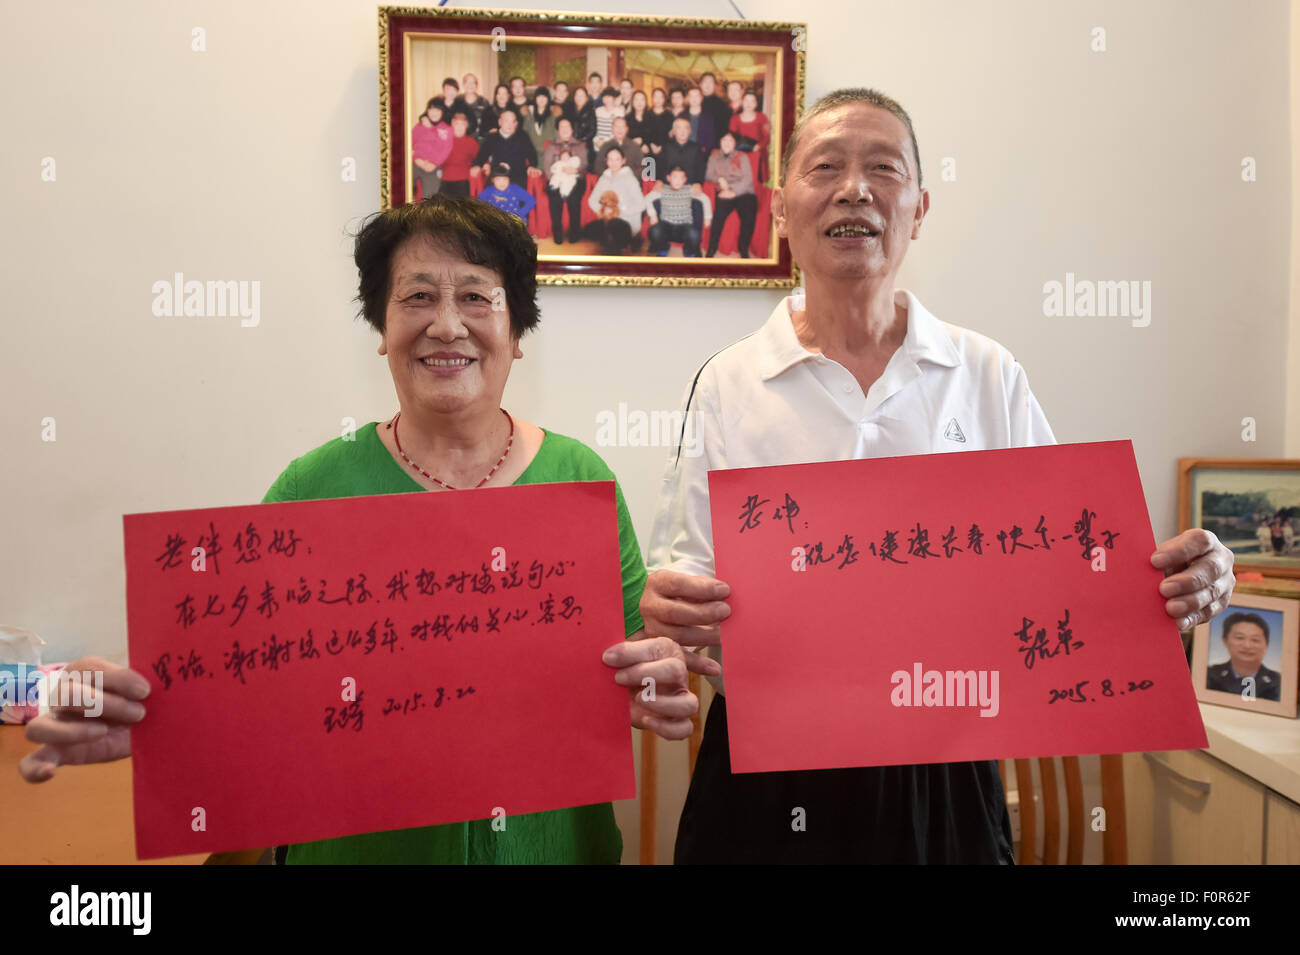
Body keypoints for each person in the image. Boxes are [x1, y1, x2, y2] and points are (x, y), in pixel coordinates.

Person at [641, 87, 1238, 864]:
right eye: (826, 167)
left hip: (946, 759)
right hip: (769, 765)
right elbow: (686, 582)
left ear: (919, 208)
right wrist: (669, 610)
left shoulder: (985, 373)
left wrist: (1184, 580)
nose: (855, 188)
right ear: (781, 209)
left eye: (882, 168)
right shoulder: (728, 381)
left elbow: (1071, 570)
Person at [19, 196, 701, 864]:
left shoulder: (579, 476)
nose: (446, 325)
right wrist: (140, 711)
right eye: (416, 297)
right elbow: (238, 684)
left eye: (475, 297)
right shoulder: (311, 487)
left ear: (517, 333)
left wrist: (655, 674)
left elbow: (632, 654)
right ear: (381, 329)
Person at [704, 131, 757, 258]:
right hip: (723, 190)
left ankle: (743, 248)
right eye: (724, 140)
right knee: (718, 216)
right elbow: (708, 175)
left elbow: (747, 179)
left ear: (735, 144)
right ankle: (712, 248)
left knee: (749, 214)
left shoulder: (742, 156)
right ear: (720, 142)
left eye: (730, 141)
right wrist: (719, 179)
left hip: (743, 191)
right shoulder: (714, 156)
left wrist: (733, 191)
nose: (727, 143)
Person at [1206, 612, 1282, 701]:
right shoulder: (1210, 675)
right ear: (1225, 641)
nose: (1247, 646)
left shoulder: (1278, 682)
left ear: (1266, 644)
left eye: (1255, 640)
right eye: (1240, 638)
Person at [646, 165, 711, 257]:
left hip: (684, 226)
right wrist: (652, 214)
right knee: (654, 231)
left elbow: (705, 199)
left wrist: (708, 217)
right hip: (666, 225)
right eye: (675, 177)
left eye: (681, 178)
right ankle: (664, 248)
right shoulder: (663, 189)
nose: (678, 181)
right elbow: (647, 198)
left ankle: (688, 252)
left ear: (685, 180)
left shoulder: (689, 189)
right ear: (668, 178)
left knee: (694, 235)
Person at [542, 117, 589, 243]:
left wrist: (576, 171)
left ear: (572, 129)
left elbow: (584, 164)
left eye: (567, 126)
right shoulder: (551, 146)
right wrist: (556, 178)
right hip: (556, 179)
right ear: (557, 130)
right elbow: (546, 166)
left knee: (574, 200)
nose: (565, 129)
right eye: (561, 127)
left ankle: (575, 232)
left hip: (575, 178)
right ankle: (557, 232)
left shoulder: (579, 145)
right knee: (555, 199)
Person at [585, 147, 644, 239]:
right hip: (608, 218)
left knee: (613, 231)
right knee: (588, 231)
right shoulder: (603, 178)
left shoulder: (630, 179)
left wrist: (620, 211)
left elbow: (641, 204)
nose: (613, 163)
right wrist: (602, 211)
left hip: (626, 220)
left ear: (623, 161)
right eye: (610, 159)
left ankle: (632, 239)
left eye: (617, 159)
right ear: (606, 161)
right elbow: (592, 200)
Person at [472, 110, 539, 189]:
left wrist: (532, 166)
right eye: (506, 121)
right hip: (498, 175)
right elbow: (482, 155)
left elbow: (532, 154)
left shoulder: (523, 136)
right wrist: (477, 165)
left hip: (518, 175)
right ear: (500, 122)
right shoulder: (492, 137)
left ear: (516, 124)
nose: (509, 125)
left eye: (513, 122)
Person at [411, 100, 453, 200]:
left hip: (433, 167)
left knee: (429, 201)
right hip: (416, 163)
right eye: (431, 109)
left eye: (437, 110)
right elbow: (409, 144)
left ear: (442, 112)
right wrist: (416, 159)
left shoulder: (447, 129)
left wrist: (434, 163)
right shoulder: (419, 126)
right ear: (427, 111)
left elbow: (445, 149)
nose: (434, 113)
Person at [729, 89, 772, 184]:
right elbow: (732, 138)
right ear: (742, 102)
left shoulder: (762, 117)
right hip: (740, 156)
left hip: (758, 154)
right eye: (746, 100)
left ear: (756, 104)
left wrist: (758, 147)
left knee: (757, 184)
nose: (749, 104)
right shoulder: (734, 119)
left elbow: (767, 137)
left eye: (752, 101)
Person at [438, 111, 480, 198]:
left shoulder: (471, 142)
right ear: (452, 125)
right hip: (445, 178)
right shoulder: (445, 140)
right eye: (457, 124)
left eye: (463, 124)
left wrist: (478, 166)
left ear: (466, 126)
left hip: (463, 179)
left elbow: (479, 158)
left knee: (460, 205)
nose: (460, 127)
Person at [660, 116, 705, 184]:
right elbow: (661, 167)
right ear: (674, 131)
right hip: (668, 185)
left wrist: (698, 183)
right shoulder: (666, 147)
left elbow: (701, 170)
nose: (682, 131)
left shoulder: (696, 148)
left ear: (690, 131)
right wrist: (659, 181)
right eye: (679, 128)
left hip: (690, 186)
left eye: (686, 128)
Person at [522, 86, 558, 159]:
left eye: (544, 97)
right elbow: (524, 134)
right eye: (539, 97)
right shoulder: (529, 115)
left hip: (549, 154)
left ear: (548, 99)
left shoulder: (553, 115)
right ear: (535, 98)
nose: (541, 99)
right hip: (531, 153)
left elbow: (556, 135)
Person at [698, 73, 732, 147]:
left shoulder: (722, 105)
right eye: (705, 82)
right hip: (695, 145)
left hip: (714, 147)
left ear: (715, 85)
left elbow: (725, 130)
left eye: (711, 82)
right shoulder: (695, 102)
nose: (708, 85)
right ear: (700, 84)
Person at [682, 87, 717, 153]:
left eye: (696, 96)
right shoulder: (682, 116)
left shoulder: (709, 118)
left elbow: (711, 138)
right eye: (691, 96)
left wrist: (706, 151)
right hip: (684, 152)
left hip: (702, 153)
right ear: (688, 98)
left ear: (701, 98)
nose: (694, 99)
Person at [455, 72, 490, 139]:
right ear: (463, 85)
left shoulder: (484, 102)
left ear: (476, 85)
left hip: (480, 141)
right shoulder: (457, 100)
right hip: (461, 139)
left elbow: (488, 123)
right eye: (467, 82)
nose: (470, 85)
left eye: (473, 82)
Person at [593, 86, 624, 152]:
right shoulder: (598, 111)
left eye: (609, 96)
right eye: (605, 96)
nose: (607, 99)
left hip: (612, 145)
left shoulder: (619, 112)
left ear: (614, 98)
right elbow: (593, 128)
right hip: (597, 144)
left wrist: (605, 141)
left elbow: (619, 130)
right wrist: (596, 140)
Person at [570, 86, 598, 156]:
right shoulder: (570, 110)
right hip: (570, 144)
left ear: (586, 98)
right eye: (577, 95)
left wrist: (580, 141)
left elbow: (592, 131)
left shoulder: (591, 111)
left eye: (582, 95)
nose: (579, 98)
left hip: (585, 146)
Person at [646, 88, 673, 157]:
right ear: (652, 98)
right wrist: (650, 144)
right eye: (655, 96)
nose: (658, 99)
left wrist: (662, 146)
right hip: (649, 151)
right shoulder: (646, 114)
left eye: (660, 97)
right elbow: (644, 133)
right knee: (649, 167)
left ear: (664, 99)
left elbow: (671, 135)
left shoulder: (669, 115)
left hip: (665, 151)